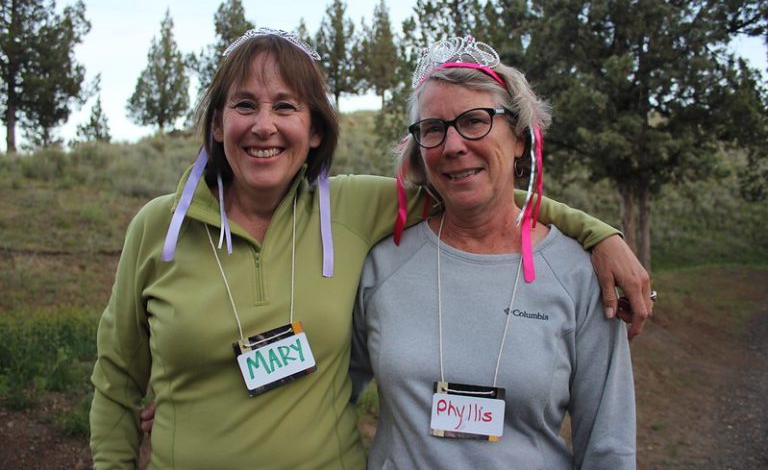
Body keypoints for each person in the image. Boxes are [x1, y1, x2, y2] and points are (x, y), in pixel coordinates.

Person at [90, 28, 648, 469]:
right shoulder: (160, 228)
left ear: (314, 131)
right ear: (215, 124)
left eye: (285, 106)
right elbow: (117, 381)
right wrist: (200, 396)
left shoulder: (352, 213)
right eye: (243, 106)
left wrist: (599, 234)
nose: (264, 126)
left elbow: (480, 194)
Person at [351, 36, 638, 468]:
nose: (452, 146)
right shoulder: (384, 263)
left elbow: (608, 445)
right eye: (433, 129)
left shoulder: (579, 275)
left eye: (474, 121)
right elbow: (330, 400)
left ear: (520, 138)